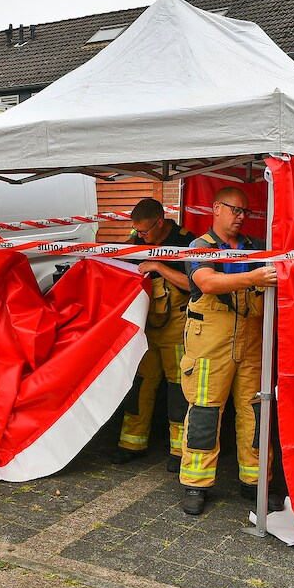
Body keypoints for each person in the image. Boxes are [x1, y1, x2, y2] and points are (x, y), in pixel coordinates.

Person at [178, 187, 278, 516]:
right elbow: (206, 282)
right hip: (210, 340)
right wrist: (253, 276)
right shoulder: (199, 247)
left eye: (244, 212)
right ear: (216, 208)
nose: (240, 217)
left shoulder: (252, 249)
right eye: (234, 210)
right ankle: (195, 483)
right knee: (206, 411)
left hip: (250, 339)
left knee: (255, 410)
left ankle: (255, 480)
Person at [110, 198, 195, 472]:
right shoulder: (137, 239)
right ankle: (131, 443)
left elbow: (195, 284)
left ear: (160, 223)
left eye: (144, 232)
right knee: (141, 383)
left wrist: (159, 266)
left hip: (177, 328)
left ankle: (179, 450)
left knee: (178, 388)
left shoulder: (186, 242)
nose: (139, 236)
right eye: (137, 231)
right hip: (146, 328)